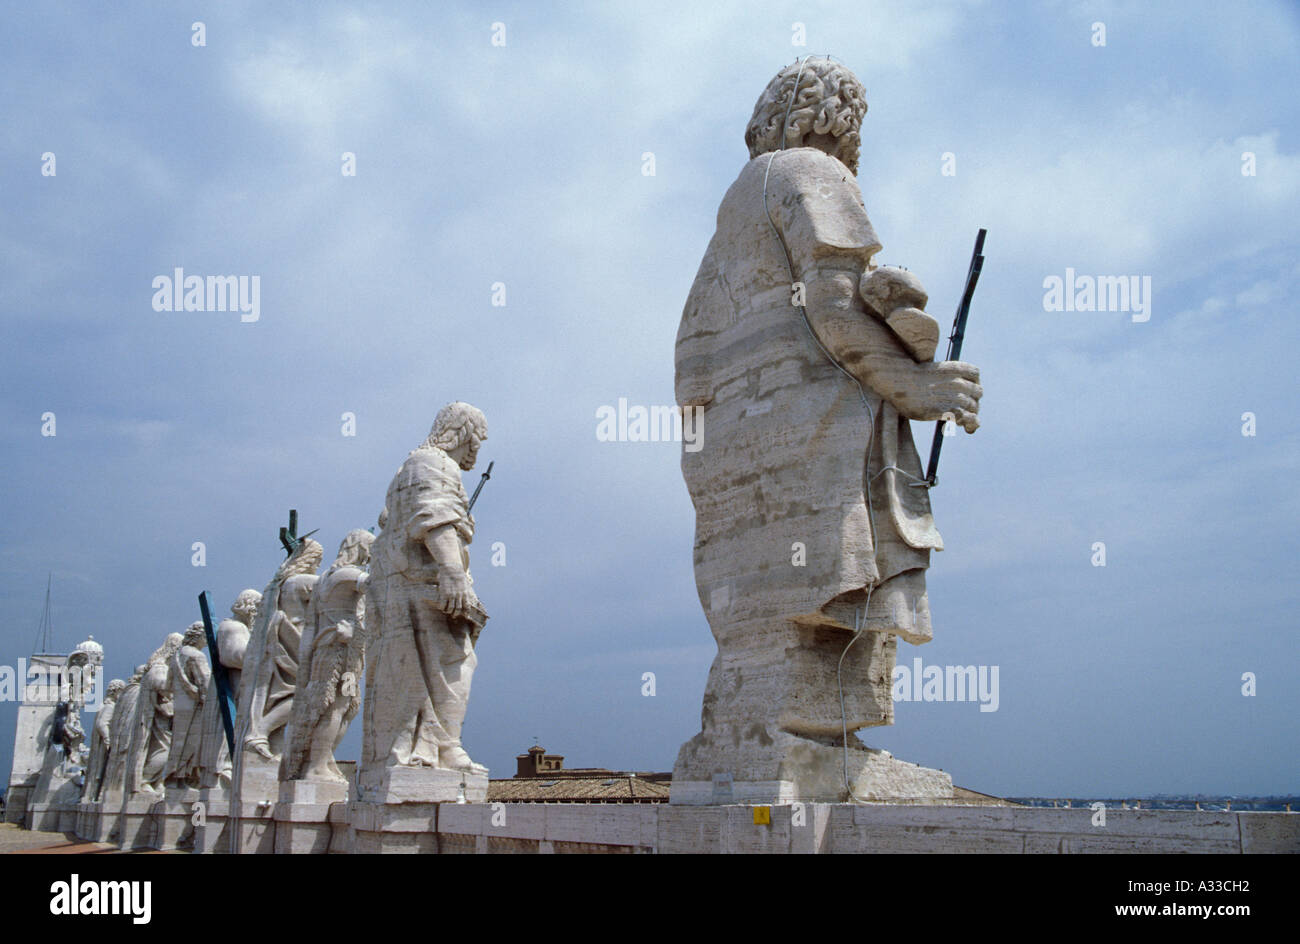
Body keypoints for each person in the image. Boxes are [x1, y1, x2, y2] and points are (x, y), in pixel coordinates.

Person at [673, 57, 983, 778]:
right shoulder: (814, 174)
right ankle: (811, 748)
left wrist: (712, 461)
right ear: (843, 120)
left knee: (772, 609)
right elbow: (834, 303)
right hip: (816, 439)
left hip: (741, 453)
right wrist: (915, 386)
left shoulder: (735, 204)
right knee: (833, 582)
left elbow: (689, 355)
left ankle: (754, 742)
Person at [361, 401, 488, 780]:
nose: (476, 451)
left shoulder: (409, 465)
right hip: (426, 583)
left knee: (415, 666)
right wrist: (452, 571)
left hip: (402, 584)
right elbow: (434, 516)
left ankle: (427, 745)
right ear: (462, 433)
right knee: (455, 660)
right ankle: (443, 745)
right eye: (476, 440)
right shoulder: (434, 463)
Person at [282, 529, 374, 783]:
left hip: (333, 646)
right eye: (371, 548)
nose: (371, 555)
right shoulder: (347, 574)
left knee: (345, 706)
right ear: (360, 548)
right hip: (340, 649)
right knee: (336, 705)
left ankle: (322, 759)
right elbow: (377, 586)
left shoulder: (324, 578)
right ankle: (316, 765)